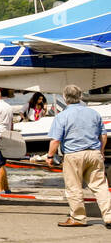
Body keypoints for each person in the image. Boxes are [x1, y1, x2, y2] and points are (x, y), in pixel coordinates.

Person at [45, 84, 111, 228]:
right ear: (80, 96)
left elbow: (56, 140)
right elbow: (104, 136)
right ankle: (109, 216)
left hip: (73, 154)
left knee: (74, 187)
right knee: (100, 186)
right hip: (94, 153)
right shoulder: (94, 113)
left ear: (64, 98)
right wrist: (101, 151)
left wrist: (50, 156)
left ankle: (78, 217)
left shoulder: (62, 116)